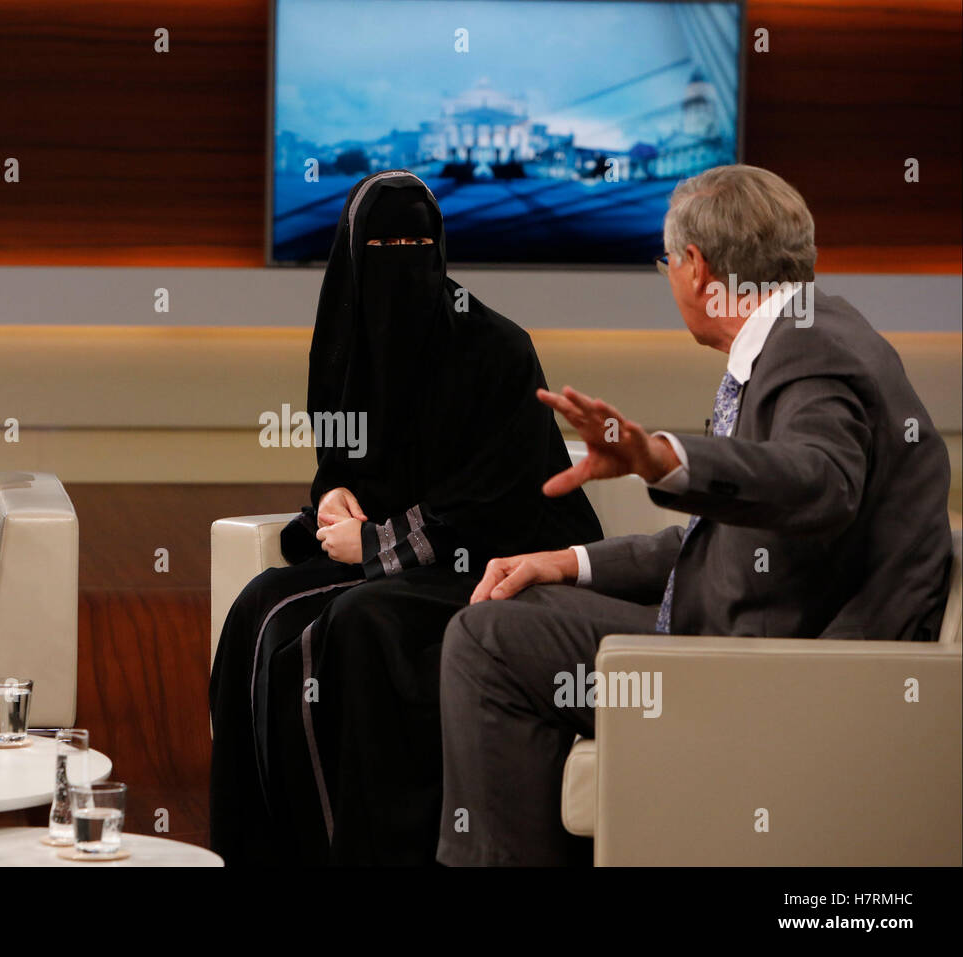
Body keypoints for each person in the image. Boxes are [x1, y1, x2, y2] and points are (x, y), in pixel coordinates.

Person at [437, 164, 954, 866]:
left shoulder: (812, 351)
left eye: (665, 261)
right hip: (748, 638)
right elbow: (726, 532)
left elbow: (821, 479)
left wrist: (659, 456)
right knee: (517, 614)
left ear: (695, 265)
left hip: (777, 672)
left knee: (485, 641)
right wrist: (569, 562)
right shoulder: (809, 330)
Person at [208, 170, 604, 865]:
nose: (405, 259)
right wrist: (332, 495)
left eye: (420, 242)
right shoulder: (344, 339)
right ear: (356, 256)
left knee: (359, 626)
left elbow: (499, 499)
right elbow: (343, 458)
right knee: (256, 613)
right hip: (395, 558)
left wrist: (375, 542)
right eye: (387, 243)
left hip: (498, 557)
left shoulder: (495, 348)